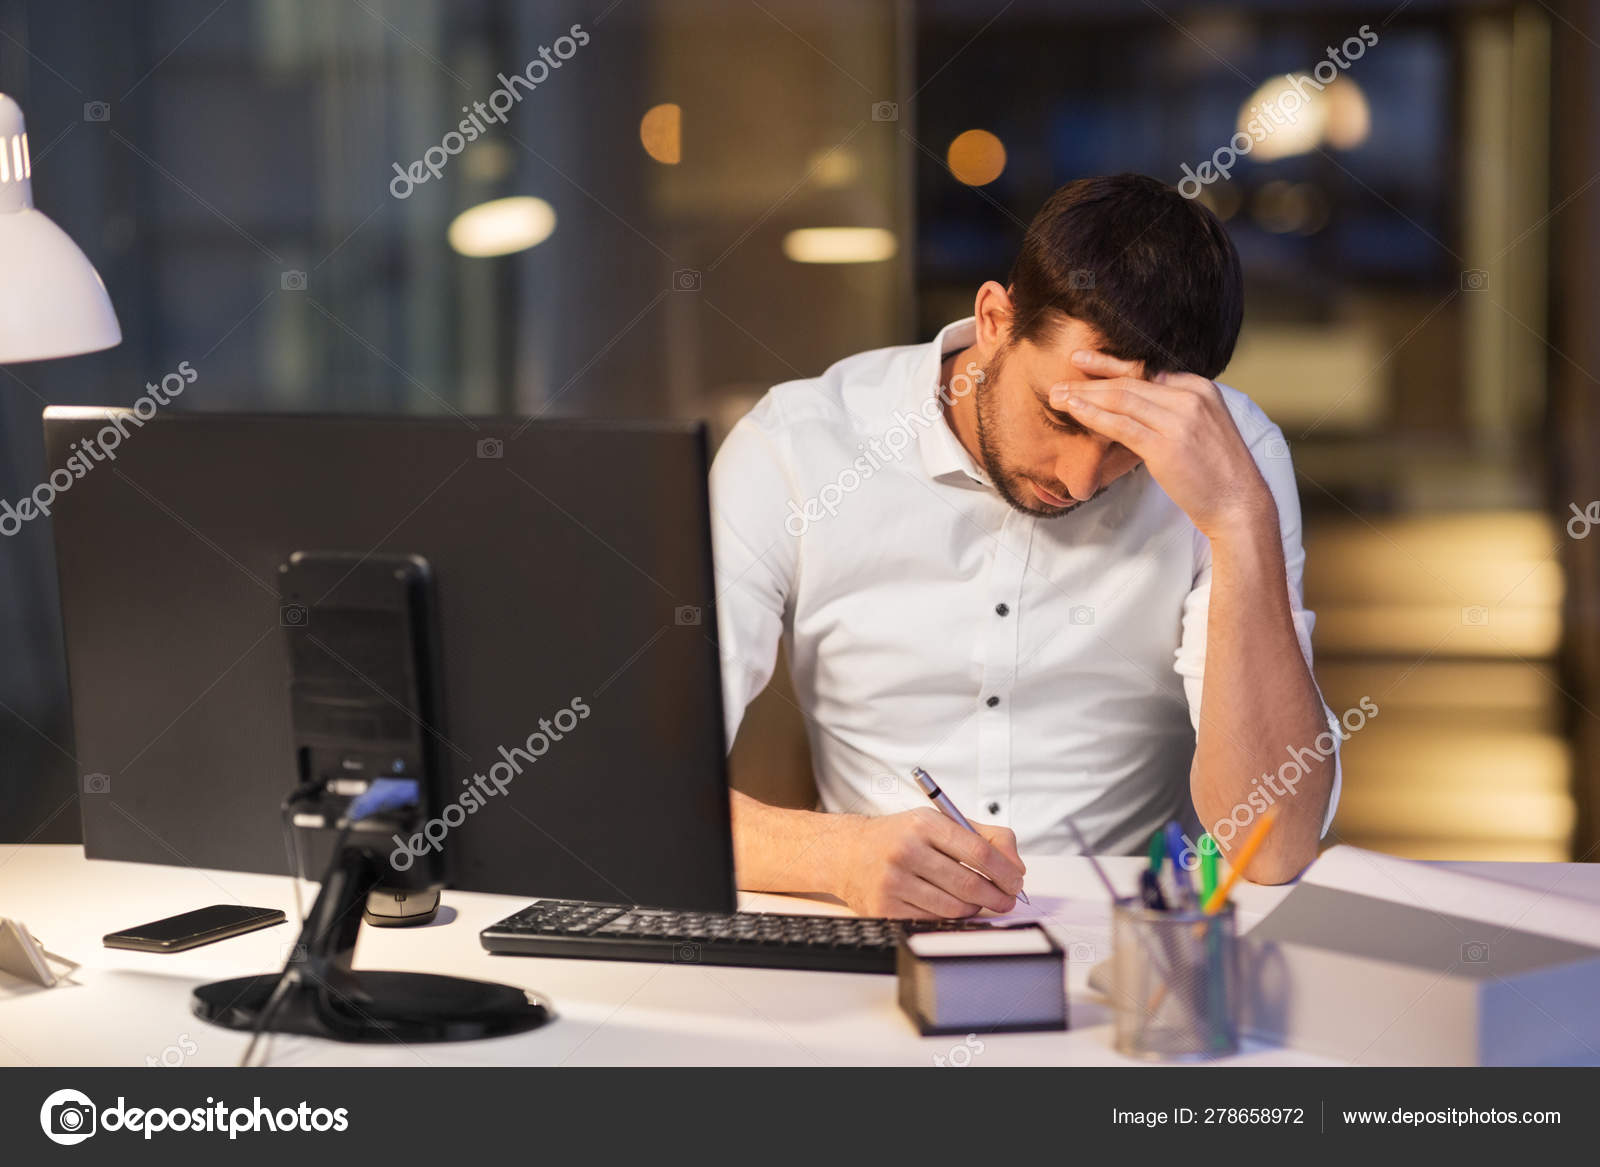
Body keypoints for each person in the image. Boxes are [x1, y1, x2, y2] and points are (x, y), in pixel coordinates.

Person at [711, 173, 1339, 918]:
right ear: (995, 319)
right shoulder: (798, 447)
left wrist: (1238, 520)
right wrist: (835, 853)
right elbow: (632, 788)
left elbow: (1271, 845)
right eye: (1064, 416)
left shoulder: (1232, 458)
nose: (1079, 481)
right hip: (871, 928)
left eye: (1127, 442)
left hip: (1136, 939)